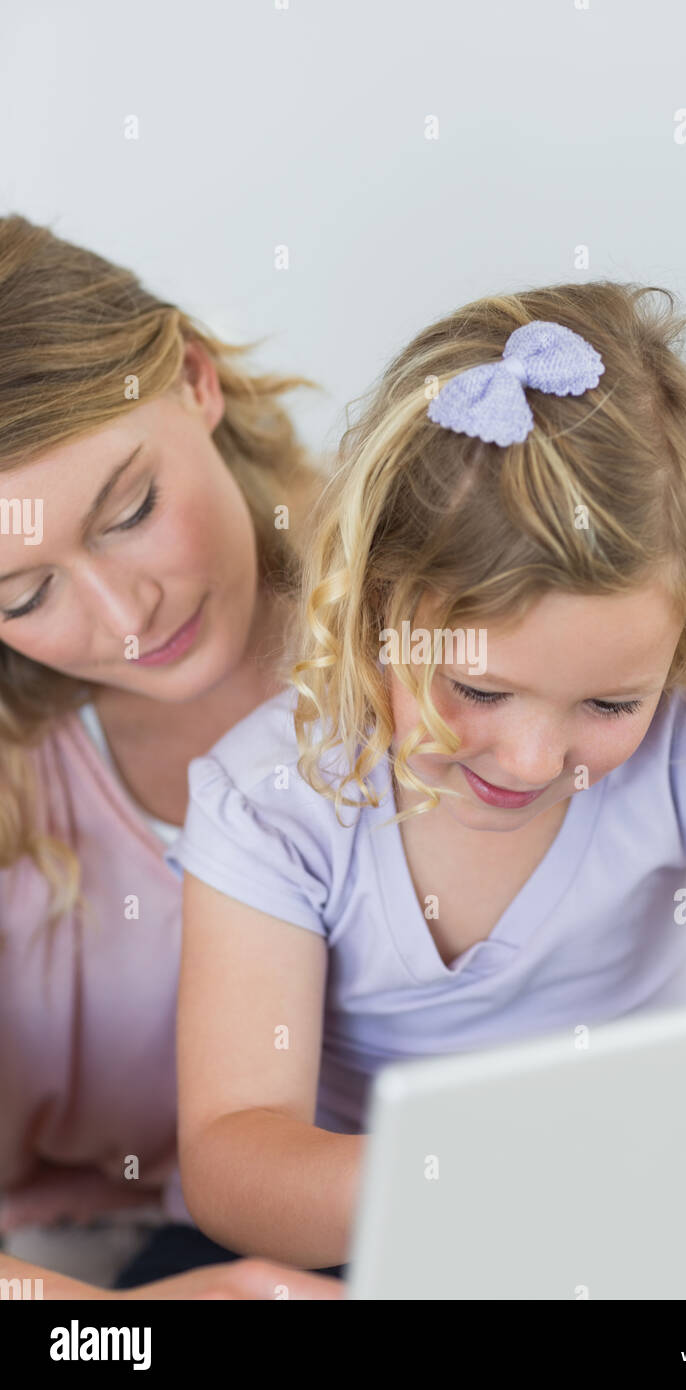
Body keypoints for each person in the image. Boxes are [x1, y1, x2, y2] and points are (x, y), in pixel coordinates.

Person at [168, 284, 686, 1275]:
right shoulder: (270, 801)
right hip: (378, 1244)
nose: (535, 759)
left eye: (610, 705)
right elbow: (236, 1158)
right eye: (475, 687)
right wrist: (498, 1184)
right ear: (372, 610)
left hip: (651, 1223)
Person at [0, 213, 341, 1298]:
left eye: (131, 510)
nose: (124, 612)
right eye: (23, 594)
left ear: (195, 378)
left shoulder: (441, 632)